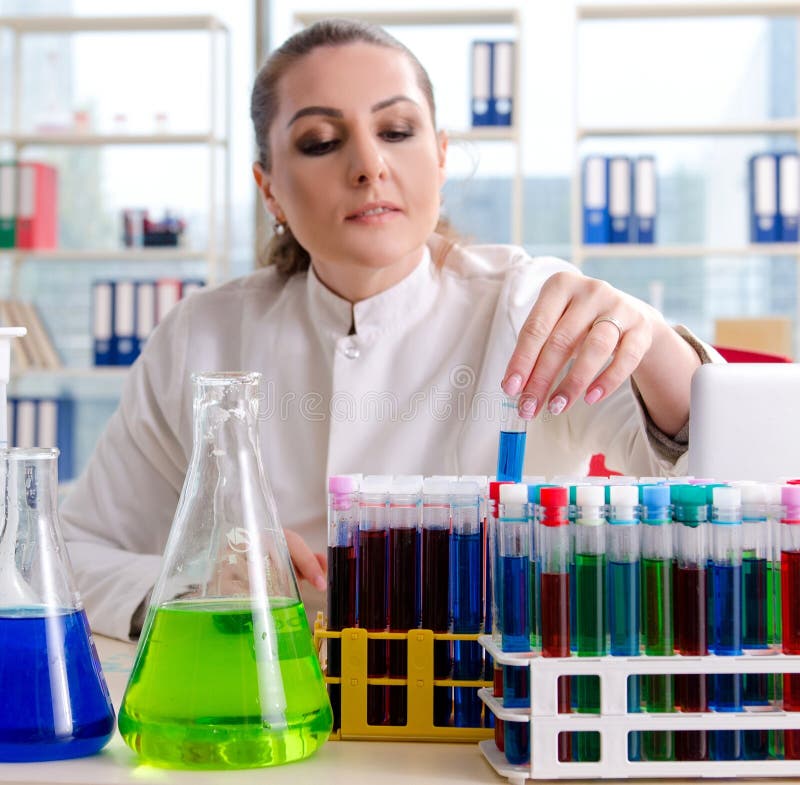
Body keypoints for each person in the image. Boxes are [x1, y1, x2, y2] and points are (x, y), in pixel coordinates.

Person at [61, 18, 719, 641]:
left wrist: (655, 341)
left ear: (439, 157)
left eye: (397, 131)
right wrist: (192, 581)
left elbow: (731, 488)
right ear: (270, 191)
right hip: (275, 703)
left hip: (487, 711)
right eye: (321, 141)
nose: (369, 165)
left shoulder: (530, 306)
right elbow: (73, 552)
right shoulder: (201, 335)